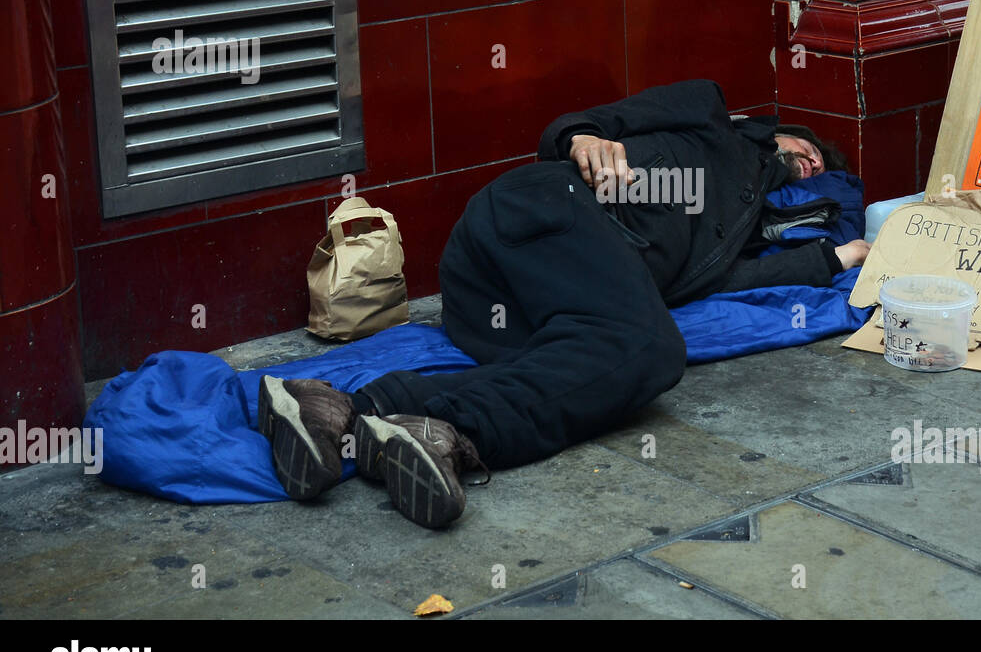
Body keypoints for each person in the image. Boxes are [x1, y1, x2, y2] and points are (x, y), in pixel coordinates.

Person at [258, 79, 871, 529]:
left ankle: (344, 409)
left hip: (506, 308)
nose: (813, 162)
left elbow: (729, 281)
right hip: (543, 207)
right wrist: (583, 137)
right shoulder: (708, 113)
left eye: (819, 168)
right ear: (775, 130)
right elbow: (581, 120)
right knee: (652, 350)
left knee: (588, 361)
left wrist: (832, 260)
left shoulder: (731, 232)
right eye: (809, 146)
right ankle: (455, 431)